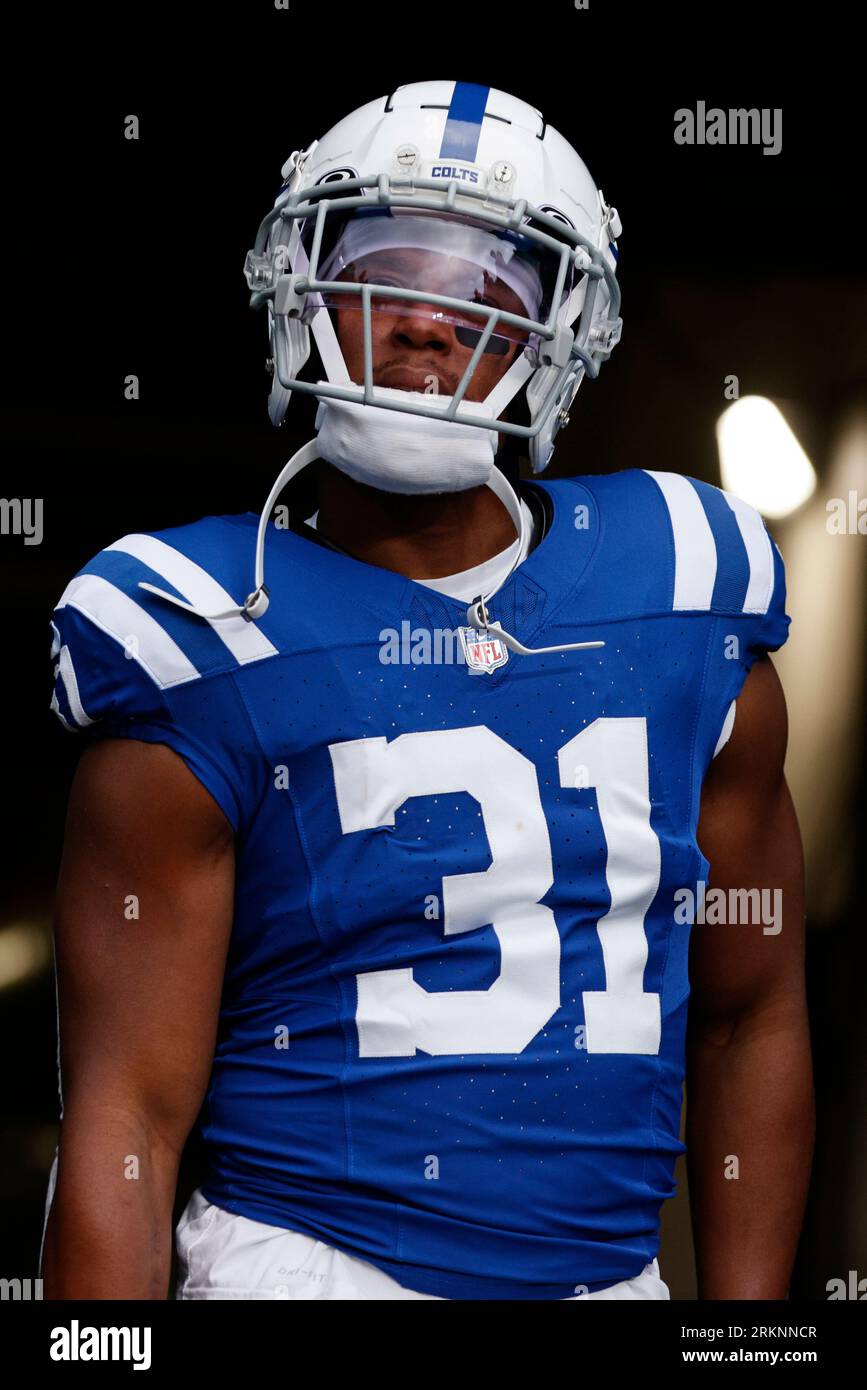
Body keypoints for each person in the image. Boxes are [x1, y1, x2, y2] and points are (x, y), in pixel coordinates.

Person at [41, 80, 813, 1301]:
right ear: (297, 290)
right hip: (304, 1267)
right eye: (383, 268)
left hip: (610, 1282)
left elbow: (749, 1016)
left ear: (562, 336)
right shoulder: (201, 627)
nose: (423, 321)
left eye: (486, 287)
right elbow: (123, 1117)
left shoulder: (685, 590)